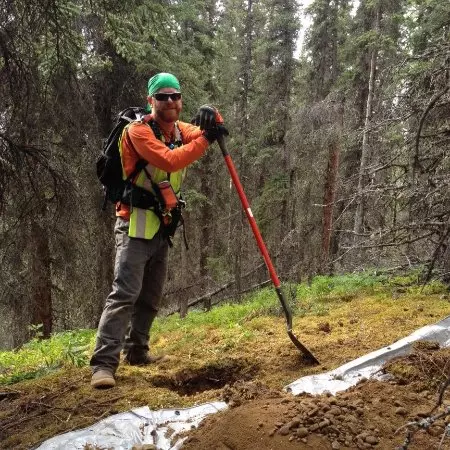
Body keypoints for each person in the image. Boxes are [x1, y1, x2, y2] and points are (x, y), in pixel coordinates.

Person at [90, 72, 227, 388]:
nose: (170, 102)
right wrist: (208, 136)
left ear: (180, 100)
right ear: (150, 100)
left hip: (162, 225)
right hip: (134, 223)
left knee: (151, 296)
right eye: (162, 96)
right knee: (124, 293)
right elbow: (170, 160)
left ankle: (137, 351)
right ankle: (103, 365)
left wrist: (211, 114)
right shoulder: (137, 132)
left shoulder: (179, 129)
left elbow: (205, 129)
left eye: (175, 96)